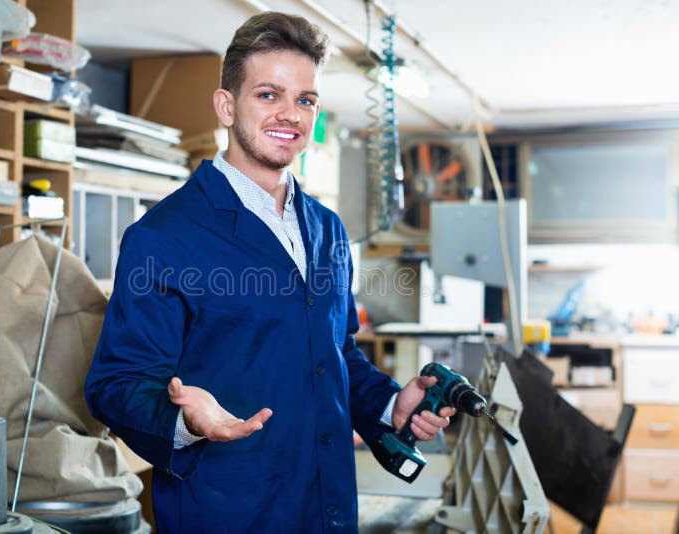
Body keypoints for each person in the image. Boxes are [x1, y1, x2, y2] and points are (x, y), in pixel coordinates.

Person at [85, 11, 455, 533]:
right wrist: (186, 423)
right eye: (268, 94)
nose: (290, 114)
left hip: (326, 506)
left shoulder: (326, 229)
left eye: (305, 100)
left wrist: (392, 403)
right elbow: (115, 384)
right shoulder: (162, 237)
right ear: (226, 105)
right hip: (228, 512)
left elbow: (336, 354)